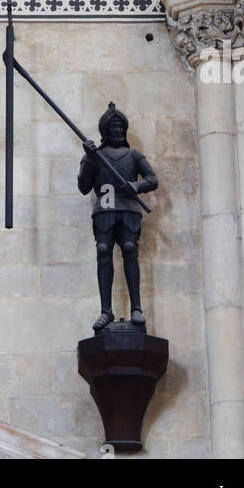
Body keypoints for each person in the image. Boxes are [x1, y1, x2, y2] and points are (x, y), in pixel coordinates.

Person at [78, 101, 158, 332]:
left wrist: (136, 186)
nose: (116, 131)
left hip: (128, 209)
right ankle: (106, 311)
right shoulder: (96, 155)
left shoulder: (133, 155)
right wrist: (90, 160)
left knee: (130, 249)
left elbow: (152, 180)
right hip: (104, 210)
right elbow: (84, 186)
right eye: (112, 127)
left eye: (119, 127)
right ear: (105, 130)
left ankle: (136, 308)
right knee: (103, 251)